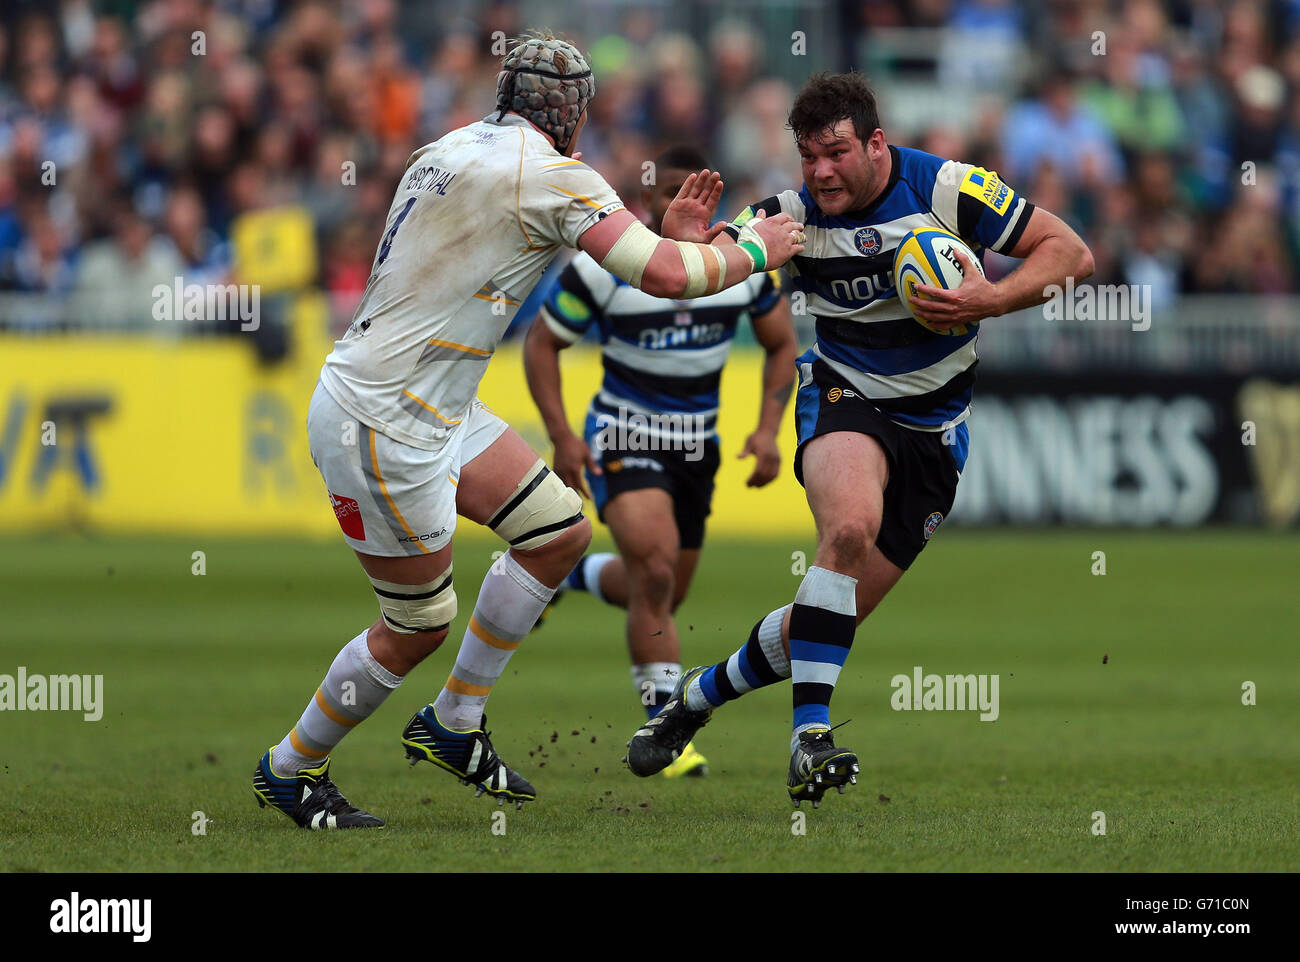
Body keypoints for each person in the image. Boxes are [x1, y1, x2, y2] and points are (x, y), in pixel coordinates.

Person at [250, 32, 806, 828]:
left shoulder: (442, 149)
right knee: (419, 623)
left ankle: (454, 723)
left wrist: (678, 243)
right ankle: (290, 768)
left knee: (558, 534)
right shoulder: (551, 174)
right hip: (384, 420)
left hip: (428, 401)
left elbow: (651, 262)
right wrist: (755, 247)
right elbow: (663, 277)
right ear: (572, 115)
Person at [623, 71, 1094, 807]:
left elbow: (1072, 253)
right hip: (845, 396)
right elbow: (699, 268)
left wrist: (990, 296)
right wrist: (683, 248)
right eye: (808, 155)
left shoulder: (947, 190)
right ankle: (810, 739)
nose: (820, 171)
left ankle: (696, 696)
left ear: (877, 143)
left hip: (937, 434)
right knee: (846, 531)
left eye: (836, 153)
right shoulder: (791, 215)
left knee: (823, 620)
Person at [522, 145, 797, 779]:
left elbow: (782, 345)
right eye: (671, 193)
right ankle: (666, 728)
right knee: (654, 573)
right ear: (645, 201)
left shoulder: (745, 266)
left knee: (662, 588)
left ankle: (576, 578)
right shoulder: (604, 268)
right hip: (624, 436)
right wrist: (564, 436)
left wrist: (765, 431)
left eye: (695, 194)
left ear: (714, 203)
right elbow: (542, 343)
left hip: (697, 449)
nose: (682, 204)